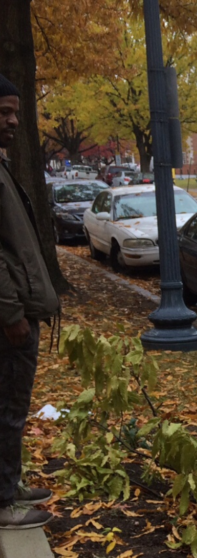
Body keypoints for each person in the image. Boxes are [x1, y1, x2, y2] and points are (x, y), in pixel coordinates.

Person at [0, 74, 59, 529]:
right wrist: (11, 312)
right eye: (4, 112)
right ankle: (4, 502)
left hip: (17, 314)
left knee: (14, 407)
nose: (14, 121)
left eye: (15, 111)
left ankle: (9, 483)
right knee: (7, 406)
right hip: (9, 320)